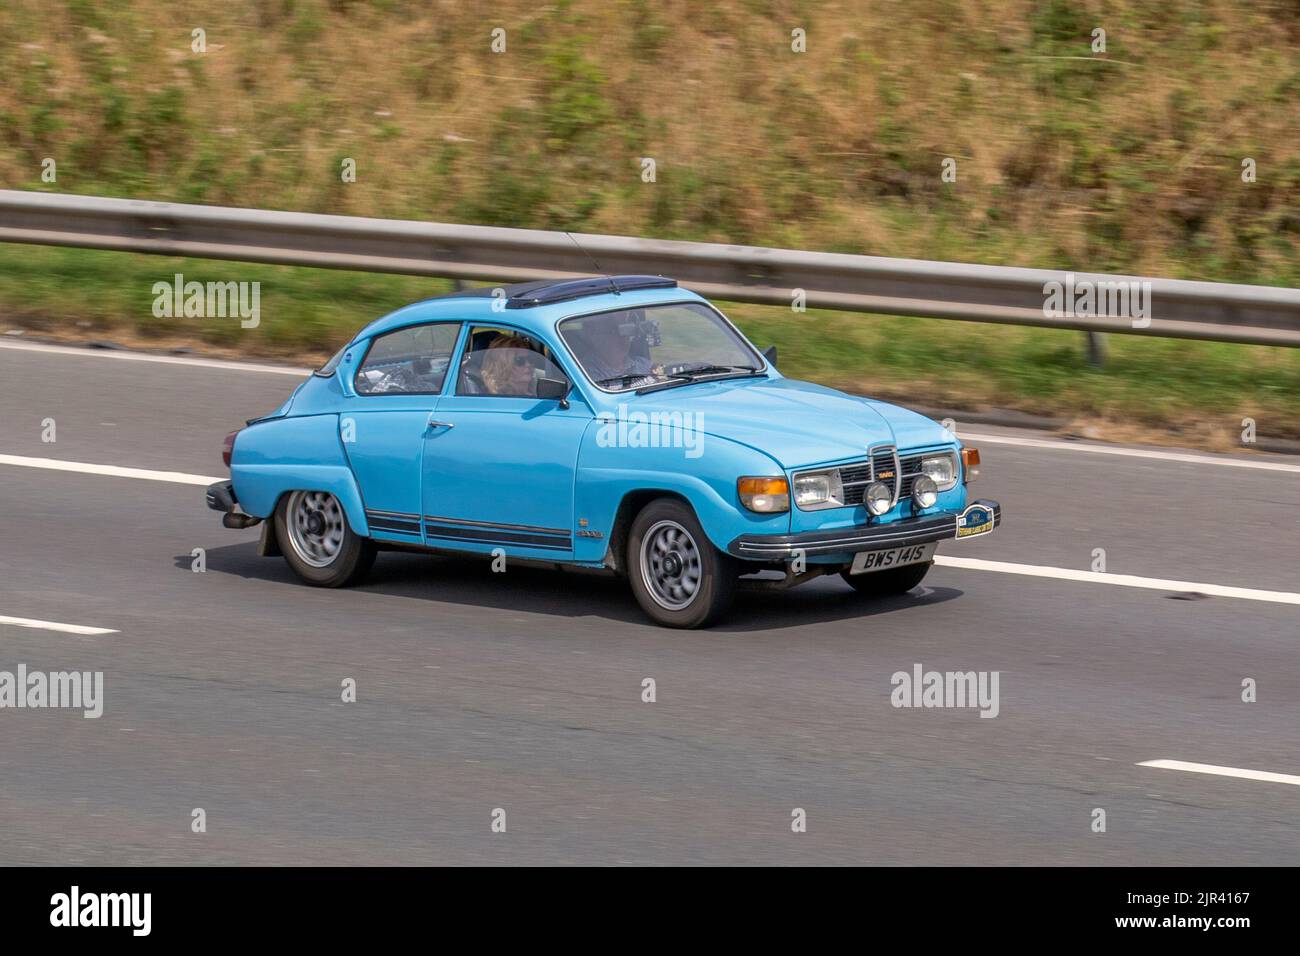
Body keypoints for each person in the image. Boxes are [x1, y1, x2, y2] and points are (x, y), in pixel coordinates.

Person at [580, 312, 657, 388]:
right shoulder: (585, 372)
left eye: (625, 331)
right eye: (612, 332)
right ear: (595, 336)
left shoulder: (642, 364)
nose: (622, 339)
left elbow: (663, 378)